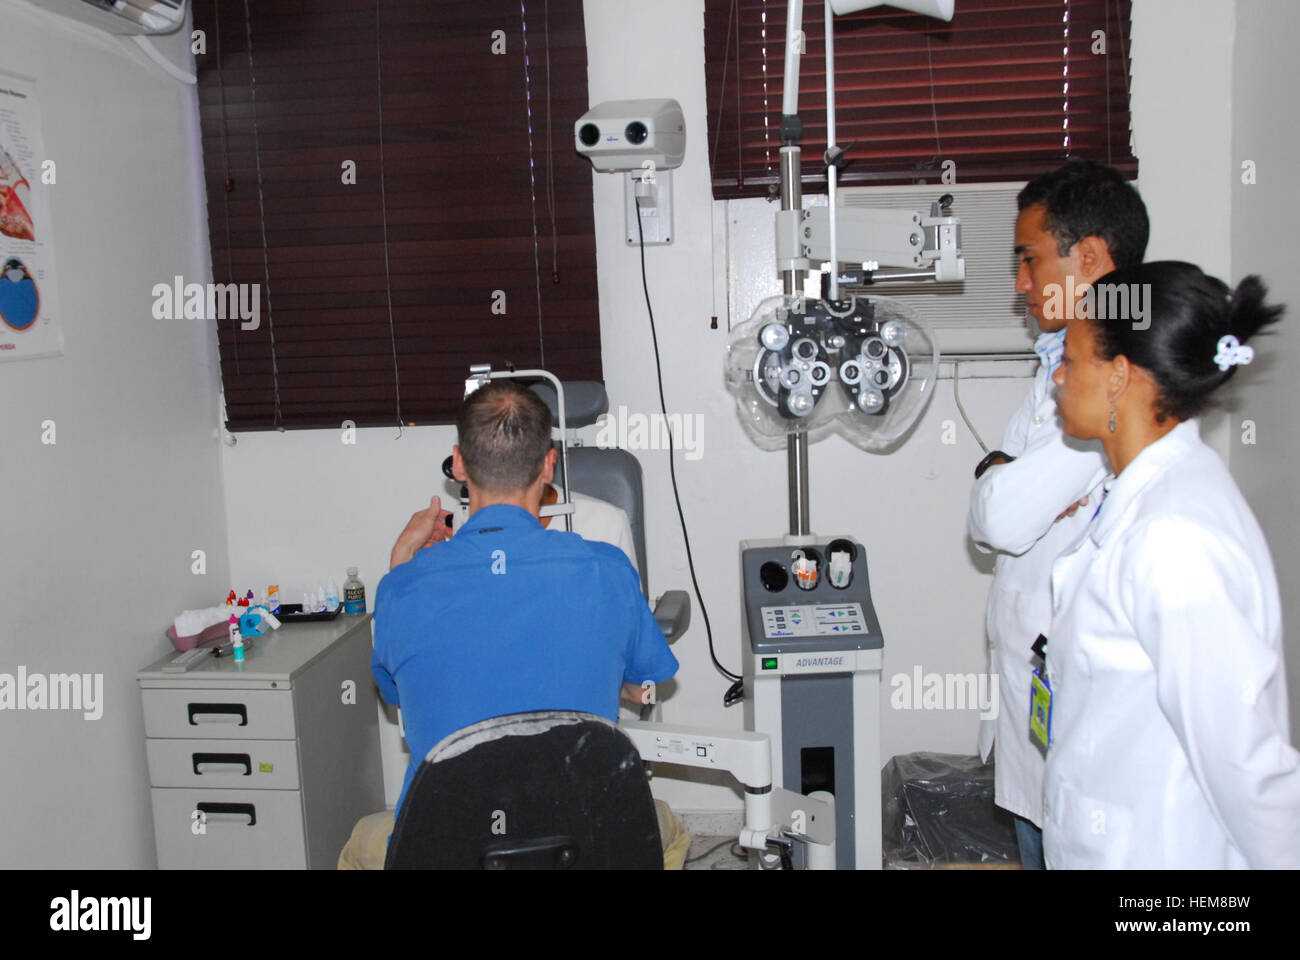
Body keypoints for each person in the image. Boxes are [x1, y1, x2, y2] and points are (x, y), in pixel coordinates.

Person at [339, 381, 681, 867]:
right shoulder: (608, 570)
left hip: (450, 850)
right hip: (582, 845)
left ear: (458, 464)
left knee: (362, 843)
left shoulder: (402, 588)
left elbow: (400, 701)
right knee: (665, 828)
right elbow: (644, 686)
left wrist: (401, 561)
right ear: (548, 465)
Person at [1044, 262, 1299, 868]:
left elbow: (1242, 763)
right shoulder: (1146, 496)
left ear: (1118, 376)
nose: (1057, 375)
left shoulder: (1174, 536)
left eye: (1071, 359)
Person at [968, 159, 1149, 868]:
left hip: (1080, 712)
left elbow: (1001, 517)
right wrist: (1002, 478)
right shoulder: (1058, 361)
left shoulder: (1115, 378)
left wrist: (1000, 478)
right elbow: (997, 505)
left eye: (1031, 259)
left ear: (1092, 258)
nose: (1021, 283)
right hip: (1038, 698)